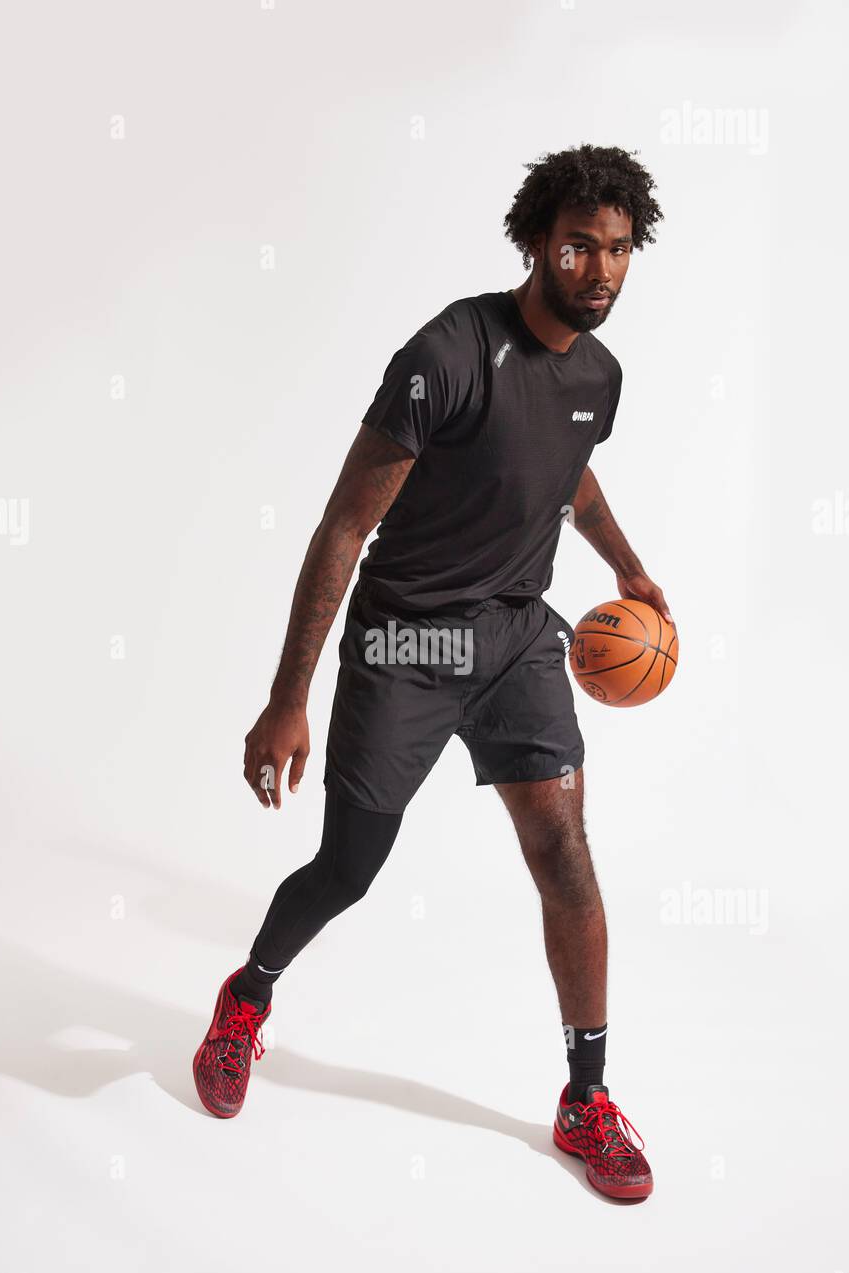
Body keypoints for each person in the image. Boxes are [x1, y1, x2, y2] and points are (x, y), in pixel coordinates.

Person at [193, 143, 672, 1201]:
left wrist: (630, 566)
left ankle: (585, 1096)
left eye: (621, 250)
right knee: (350, 869)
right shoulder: (449, 352)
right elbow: (343, 524)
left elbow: (567, 471)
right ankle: (247, 995)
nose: (601, 269)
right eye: (580, 246)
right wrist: (288, 697)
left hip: (514, 639)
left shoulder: (601, 376)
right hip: (407, 643)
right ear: (537, 243)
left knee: (566, 853)